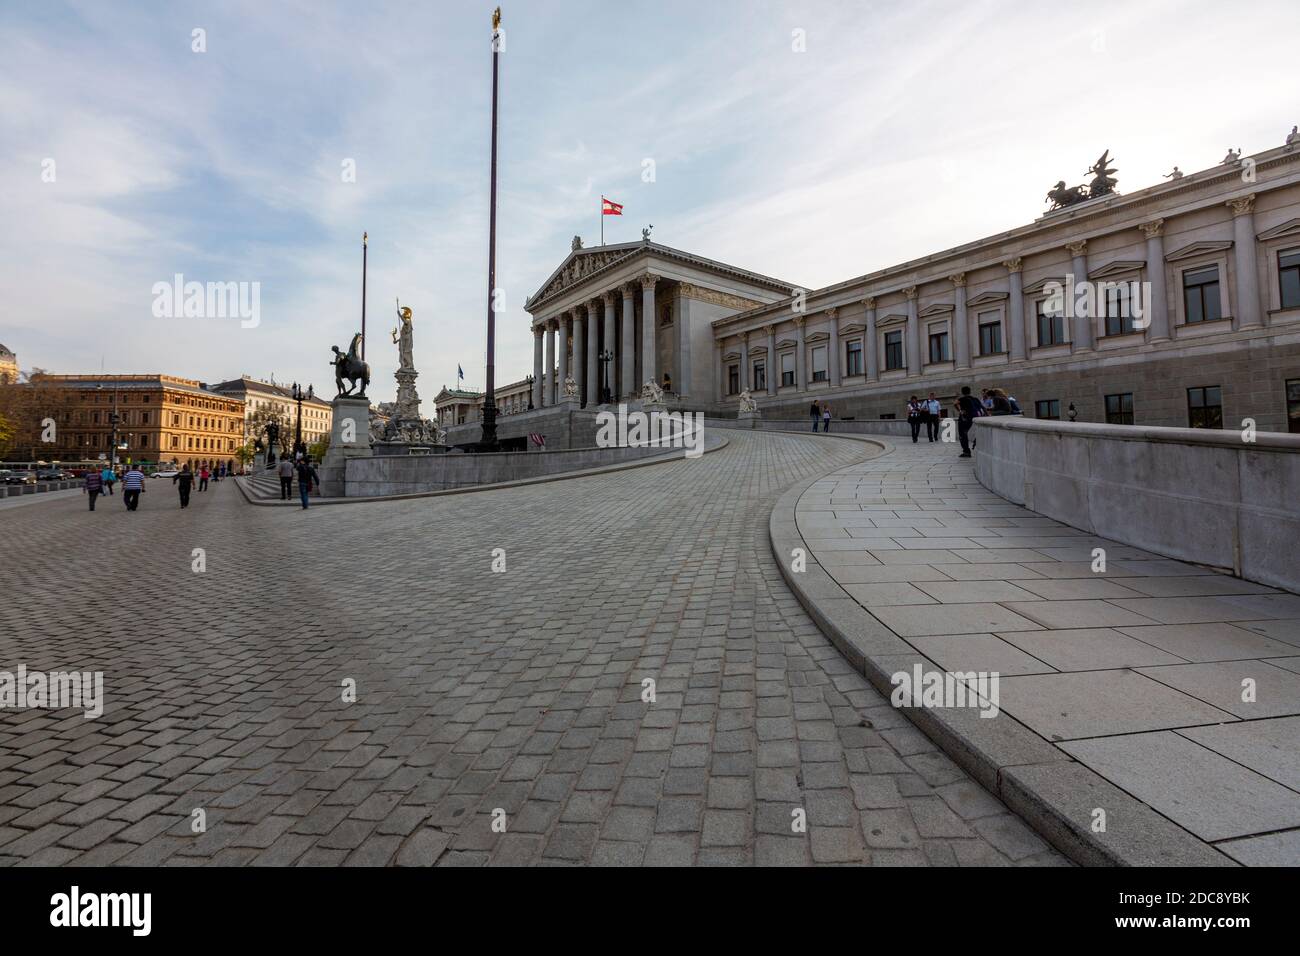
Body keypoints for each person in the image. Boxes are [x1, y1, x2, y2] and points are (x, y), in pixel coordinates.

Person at [955, 386, 985, 458]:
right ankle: (975, 441)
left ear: (962, 392)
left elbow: (955, 403)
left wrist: (960, 411)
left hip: (965, 418)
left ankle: (966, 451)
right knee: (969, 432)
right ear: (970, 391)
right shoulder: (975, 399)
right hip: (975, 417)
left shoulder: (962, 399)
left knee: (963, 434)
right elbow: (982, 407)